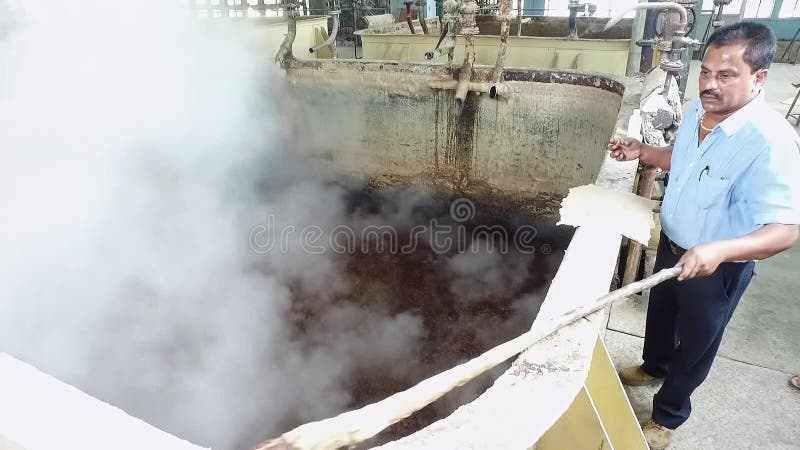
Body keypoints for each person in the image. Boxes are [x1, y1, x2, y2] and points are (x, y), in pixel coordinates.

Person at [607, 22, 800, 450]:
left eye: (726, 75)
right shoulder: (700, 110)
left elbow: (784, 231)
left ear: (759, 78)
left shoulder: (773, 144)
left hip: (718, 268)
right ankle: (653, 365)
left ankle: (667, 416)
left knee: (696, 344)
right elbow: (684, 160)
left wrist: (720, 249)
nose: (710, 84)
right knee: (659, 318)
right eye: (706, 71)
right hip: (674, 247)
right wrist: (645, 153)